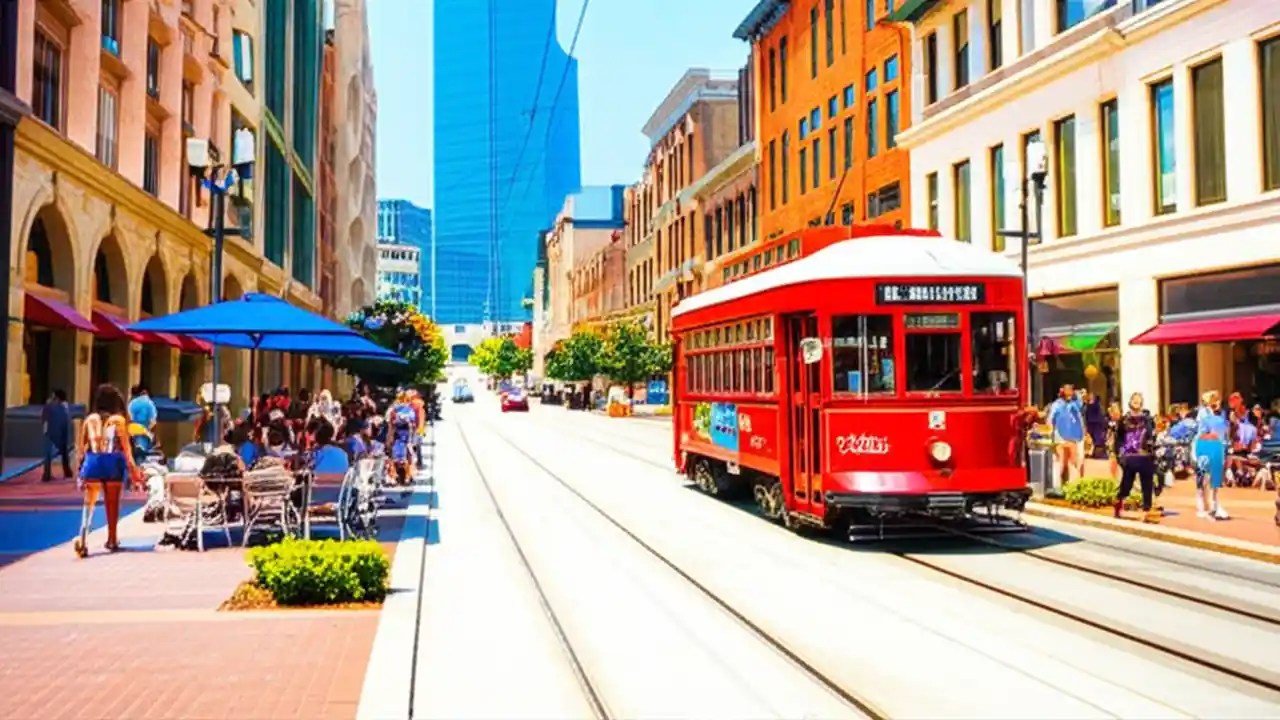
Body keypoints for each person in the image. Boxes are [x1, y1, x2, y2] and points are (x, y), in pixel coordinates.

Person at [75, 384, 141, 556]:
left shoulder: (90, 419)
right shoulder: (119, 421)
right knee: (112, 505)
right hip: (113, 464)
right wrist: (134, 472)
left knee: (88, 503)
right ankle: (112, 539)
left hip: (94, 463)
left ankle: (83, 537)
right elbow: (126, 450)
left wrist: (80, 472)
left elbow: (82, 448)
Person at [1113, 393, 1159, 523]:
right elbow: (1119, 439)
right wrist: (1120, 455)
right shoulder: (1124, 420)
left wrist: (1152, 447)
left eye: (1139, 400)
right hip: (1130, 456)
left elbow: (1152, 435)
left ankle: (1146, 512)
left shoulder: (1147, 419)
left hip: (1145, 455)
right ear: (1130, 402)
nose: (1136, 402)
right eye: (1134, 400)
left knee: (1147, 485)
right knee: (1126, 485)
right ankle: (1118, 503)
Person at [1194, 390, 1230, 520]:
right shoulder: (1203, 414)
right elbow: (1201, 432)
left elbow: (1224, 433)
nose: (1217, 402)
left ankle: (1215, 505)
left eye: (1218, 399)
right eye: (1214, 399)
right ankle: (1202, 506)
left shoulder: (1222, 415)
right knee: (1202, 477)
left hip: (1217, 448)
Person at [1047, 384, 1086, 487]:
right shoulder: (1057, 404)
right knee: (1062, 463)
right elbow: (1050, 420)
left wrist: (1079, 396)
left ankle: (1076, 486)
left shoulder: (1075, 403)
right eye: (1067, 390)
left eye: (1071, 390)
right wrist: (1052, 435)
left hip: (1075, 436)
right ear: (1062, 391)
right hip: (1060, 436)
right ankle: (1061, 486)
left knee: (1076, 461)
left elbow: (1080, 409)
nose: (1070, 392)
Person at [41, 389, 73, 483]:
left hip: (51, 432)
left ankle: (47, 474)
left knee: (48, 454)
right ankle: (67, 472)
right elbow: (66, 422)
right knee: (64, 452)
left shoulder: (49, 407)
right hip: (61, 432)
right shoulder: (64, 408)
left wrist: (45, 431)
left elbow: (45, 419)